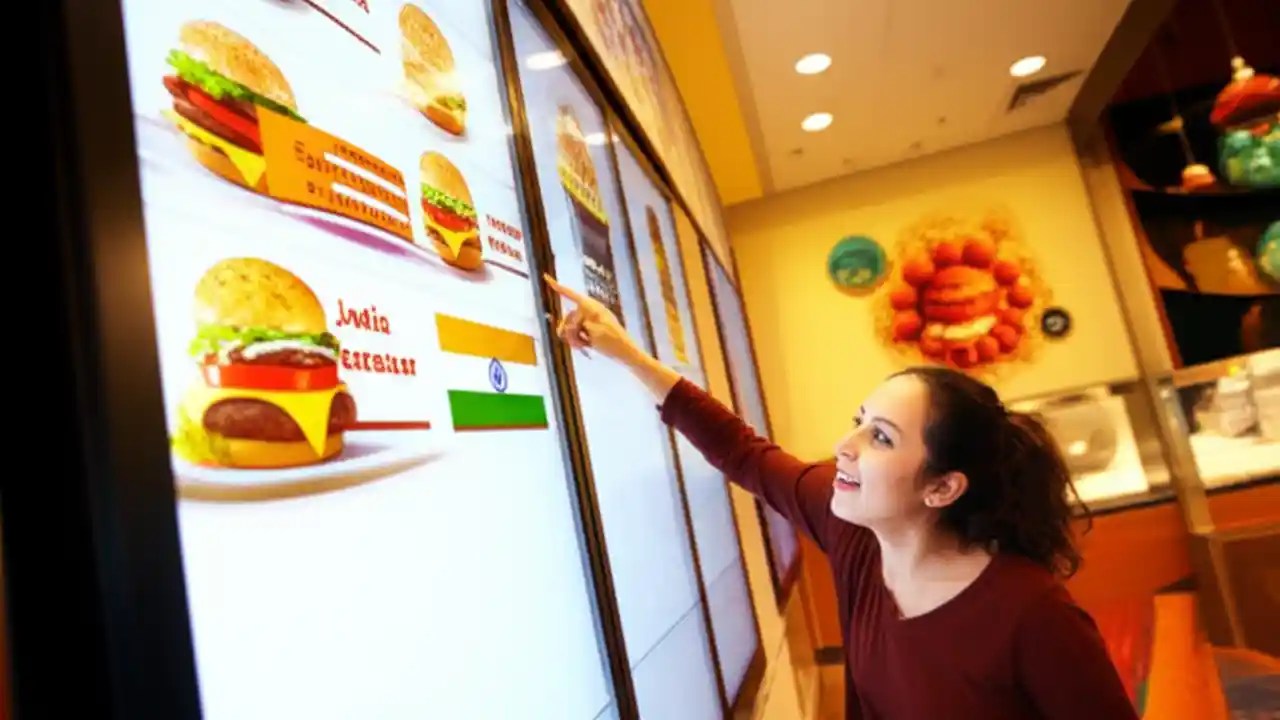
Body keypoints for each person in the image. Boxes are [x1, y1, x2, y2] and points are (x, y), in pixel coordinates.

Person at [545, 275, 1139, 720]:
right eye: (860, 421)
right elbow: (742, 452)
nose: (844, 446)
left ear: (943, 487)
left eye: (880, 437)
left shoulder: (1033, 615)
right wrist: (624, 352)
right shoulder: (855, 531)